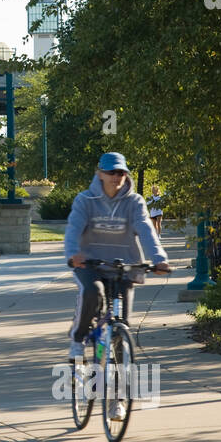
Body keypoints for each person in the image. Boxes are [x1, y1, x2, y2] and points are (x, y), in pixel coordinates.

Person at [64, 153, 172, 417]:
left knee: (121, 329)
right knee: (93, 291)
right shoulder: (85, 200)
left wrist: (159, 259)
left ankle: (118, 400)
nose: (116, 177)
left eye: (121, 172)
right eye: (111, 172)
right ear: (99, 174)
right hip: (90, 264)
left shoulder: (134, 202)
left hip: (125, 267)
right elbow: (73, 229)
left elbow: (146, 229)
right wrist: (74, 253)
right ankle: (78, 340)